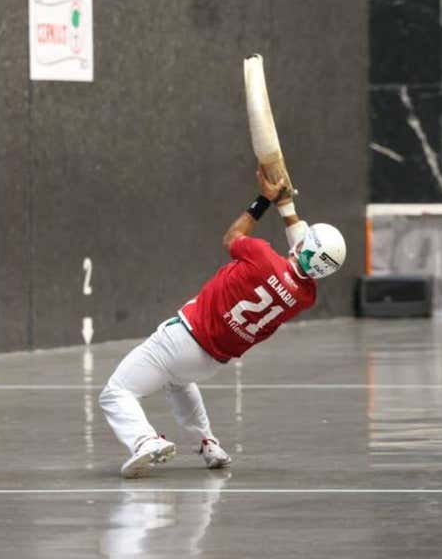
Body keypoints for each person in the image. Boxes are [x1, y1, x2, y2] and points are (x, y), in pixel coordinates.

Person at [99, 168, 346, 477]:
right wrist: (286, 205)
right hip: (210, 362)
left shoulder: (261, 255)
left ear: (303, 246)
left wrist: (265, 200)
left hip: (183, 338)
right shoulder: (305, 296)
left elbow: (232, 237)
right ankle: (208, 444)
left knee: (116, 391)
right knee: (178, 381)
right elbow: (304, 254)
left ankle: (144, 441)